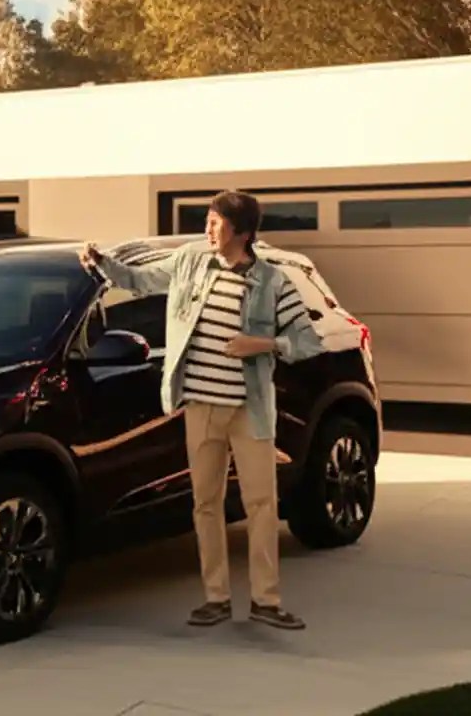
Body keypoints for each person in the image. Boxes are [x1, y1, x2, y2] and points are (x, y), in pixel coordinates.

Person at [80, 190, 325, 630]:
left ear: (244, 232)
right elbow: (139, 280)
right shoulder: (192, 262)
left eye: (218, 222)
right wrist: (102, 264)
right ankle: (215, 598)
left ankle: (266, 601)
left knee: (261, 504)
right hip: (200, 406)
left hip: (249, 411)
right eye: (209, 219)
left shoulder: (272, 282)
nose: (209, 228)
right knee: (205, 503)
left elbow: (309, 342)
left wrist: (265, 344)